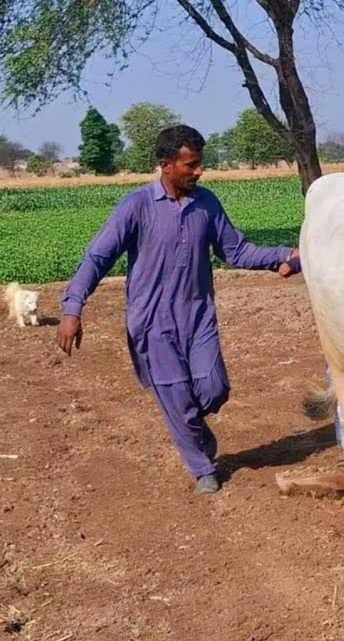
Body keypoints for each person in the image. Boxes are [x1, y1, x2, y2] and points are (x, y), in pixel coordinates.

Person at [56, 124, 300, 494]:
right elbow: (97, 258)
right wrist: (73, 309)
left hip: (198, 316)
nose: (199, 172)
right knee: (177, 397)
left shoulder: (207, 204)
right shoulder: (136, 207)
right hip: (152, 323)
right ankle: (202, 467)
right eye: (191, 165)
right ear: (166, 165)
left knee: (213, 388)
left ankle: (192, 428)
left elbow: (237, 251)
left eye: (200, 164)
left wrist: (284, 255)